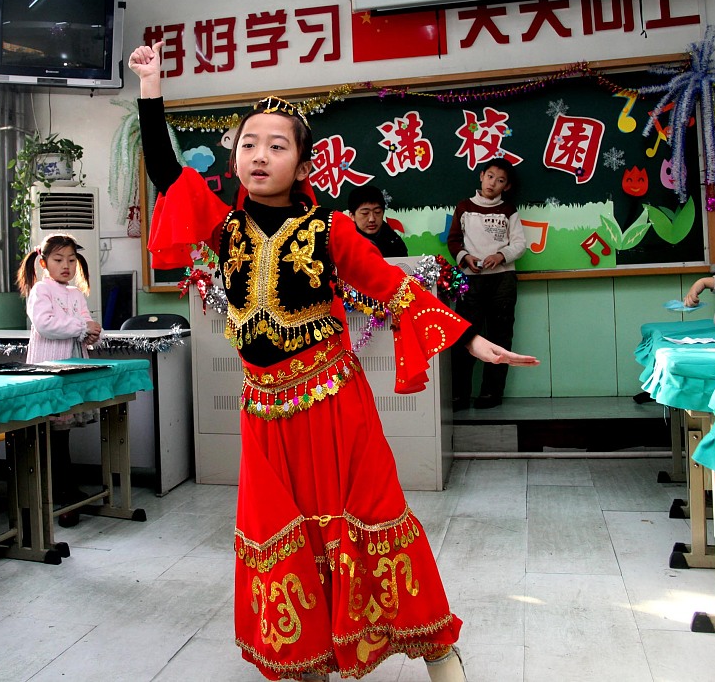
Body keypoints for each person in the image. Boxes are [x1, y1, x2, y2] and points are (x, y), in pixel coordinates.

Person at [130, 41, 538, 682]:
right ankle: (310, 655)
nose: (259, 155)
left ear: (301, 162)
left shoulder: (330, 230)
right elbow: (164, 170)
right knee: (283, 532)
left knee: (371, 520)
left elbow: (393, 289)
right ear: (235, 159)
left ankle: (438, 648)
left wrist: (469, 340)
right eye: (249, 144)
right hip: (266, 414)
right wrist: (152, 88)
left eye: (277, 145)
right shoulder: (222, 226)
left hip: (334, 404)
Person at [15, 235, 102, 526]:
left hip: (72, 369)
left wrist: (92, 332)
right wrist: (81, 327)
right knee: (49, 434)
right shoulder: (41, 290)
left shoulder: (76, 293)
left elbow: (85, 321)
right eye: (58, 260)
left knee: (62, 433)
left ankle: (64, 489)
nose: (66, 266)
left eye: (71, 260)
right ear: (43, 263)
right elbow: (46, 325)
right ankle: (55, 493)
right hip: (49, 370)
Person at [446, 159, 527, 411]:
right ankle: (459, 395)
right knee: (465, 337)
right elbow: (454, 241)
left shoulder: (509, 210)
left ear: (507, 186)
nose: (493, 183)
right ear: (481, 176)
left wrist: (501, 256)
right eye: (490, 176)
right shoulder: (464, 207)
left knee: (499, 337)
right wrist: (466, 258)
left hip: (502, 280)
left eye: (500, 180)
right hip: (471, 279)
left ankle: (492, 394)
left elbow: (519, 244)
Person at [347, 184, 408, 257]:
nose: (372, 219)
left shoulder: (394, 241)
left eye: (377, 212)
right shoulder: (344, 243)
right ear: (352, 216)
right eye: (365, 213)